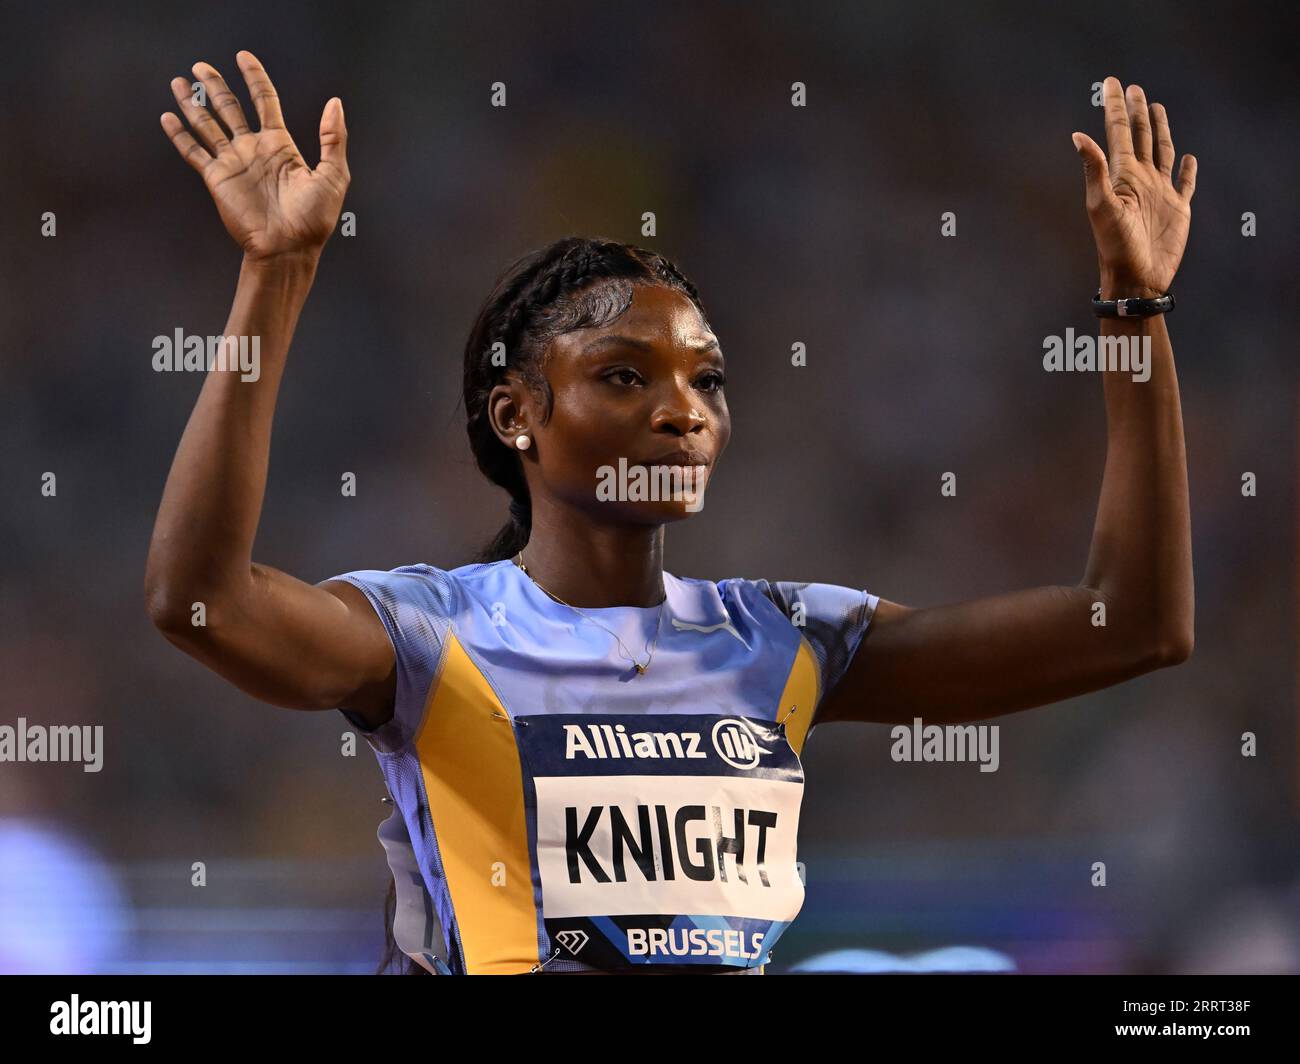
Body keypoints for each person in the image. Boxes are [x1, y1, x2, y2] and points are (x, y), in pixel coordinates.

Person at [146, 52, 1197, 975]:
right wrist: (276, 273)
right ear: (517, 413)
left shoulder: (785, 639)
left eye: (708, 381)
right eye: (623, 376)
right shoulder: (431, 633)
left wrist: (1132, 306)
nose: (681, 413)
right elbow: (200, 603)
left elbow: (1136, 621)